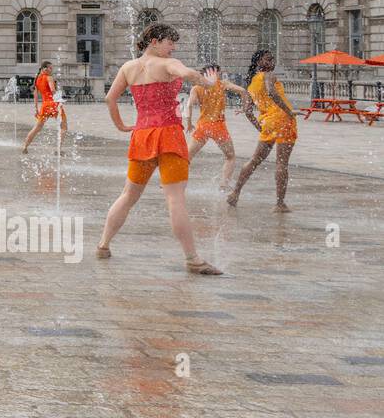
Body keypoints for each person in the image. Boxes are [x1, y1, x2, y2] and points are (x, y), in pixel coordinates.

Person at [94, 23, 223, 275]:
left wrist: (121, 126)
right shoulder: (167, 64)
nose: (173, 47)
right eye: (169, 42)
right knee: (175, 198)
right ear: (154, 41)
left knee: (128, 195)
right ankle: (193, 259)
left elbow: (110, 98)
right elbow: (186, 73)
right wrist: (207, 83)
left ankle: (103, 245)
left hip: (142, 135)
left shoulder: (128, 67)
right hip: (168, 135)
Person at [227, 49, 297, 213]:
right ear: (259, 62)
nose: (272, 62)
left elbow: (248, 111)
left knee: (254, 160)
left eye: (272, 59)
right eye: (268, 59)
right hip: (283, 121)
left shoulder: (251, 84)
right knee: (282, 163)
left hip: (269, 123)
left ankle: (235, 192)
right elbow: (271, 92)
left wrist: (260, 127)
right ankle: (279, 204)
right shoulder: (269, 76)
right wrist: (289, 111)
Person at [185, 64, 251, 189]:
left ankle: (172, 182)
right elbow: (243, 91)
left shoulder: (196, 88)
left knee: (187, 157)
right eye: (219, 72)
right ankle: (223, 185)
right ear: (214, 72)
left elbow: (188, 105)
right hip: (218, 127)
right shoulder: (222, 84)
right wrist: (245, 108)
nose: (220, 75)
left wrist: (188, 123)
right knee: (230, 157)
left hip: (203, 126)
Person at [21, 60, 66, 153]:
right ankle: (58, 150)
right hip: (54, 104)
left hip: (45, 105)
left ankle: (25, 146)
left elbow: (36, 95)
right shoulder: (49, 77)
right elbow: (53, 91)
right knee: (64, 127)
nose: (51, 70)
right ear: (44, 68)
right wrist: (59, 99)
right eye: (50, 68)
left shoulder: (37, 79)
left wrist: (36, 108)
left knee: (37, 128)